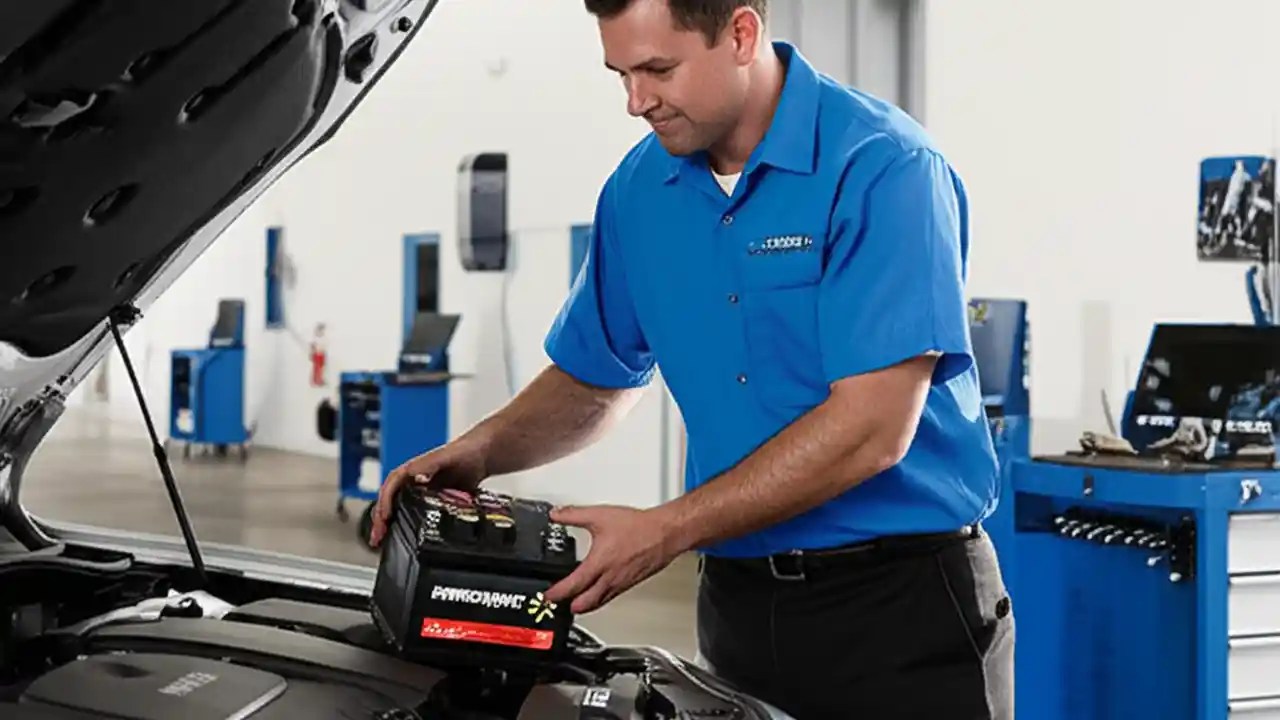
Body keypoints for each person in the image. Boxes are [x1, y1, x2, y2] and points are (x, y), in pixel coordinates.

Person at [369, 1, 1014, 716]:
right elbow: (595, 378)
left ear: (740, 33)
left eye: (657, 70)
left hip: (899, 614)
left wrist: (666, 528)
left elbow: (873, 428)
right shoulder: (639, 191)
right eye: (620, 73)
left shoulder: (884, 168)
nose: (635, 101)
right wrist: (477, 452)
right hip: (736, 606)